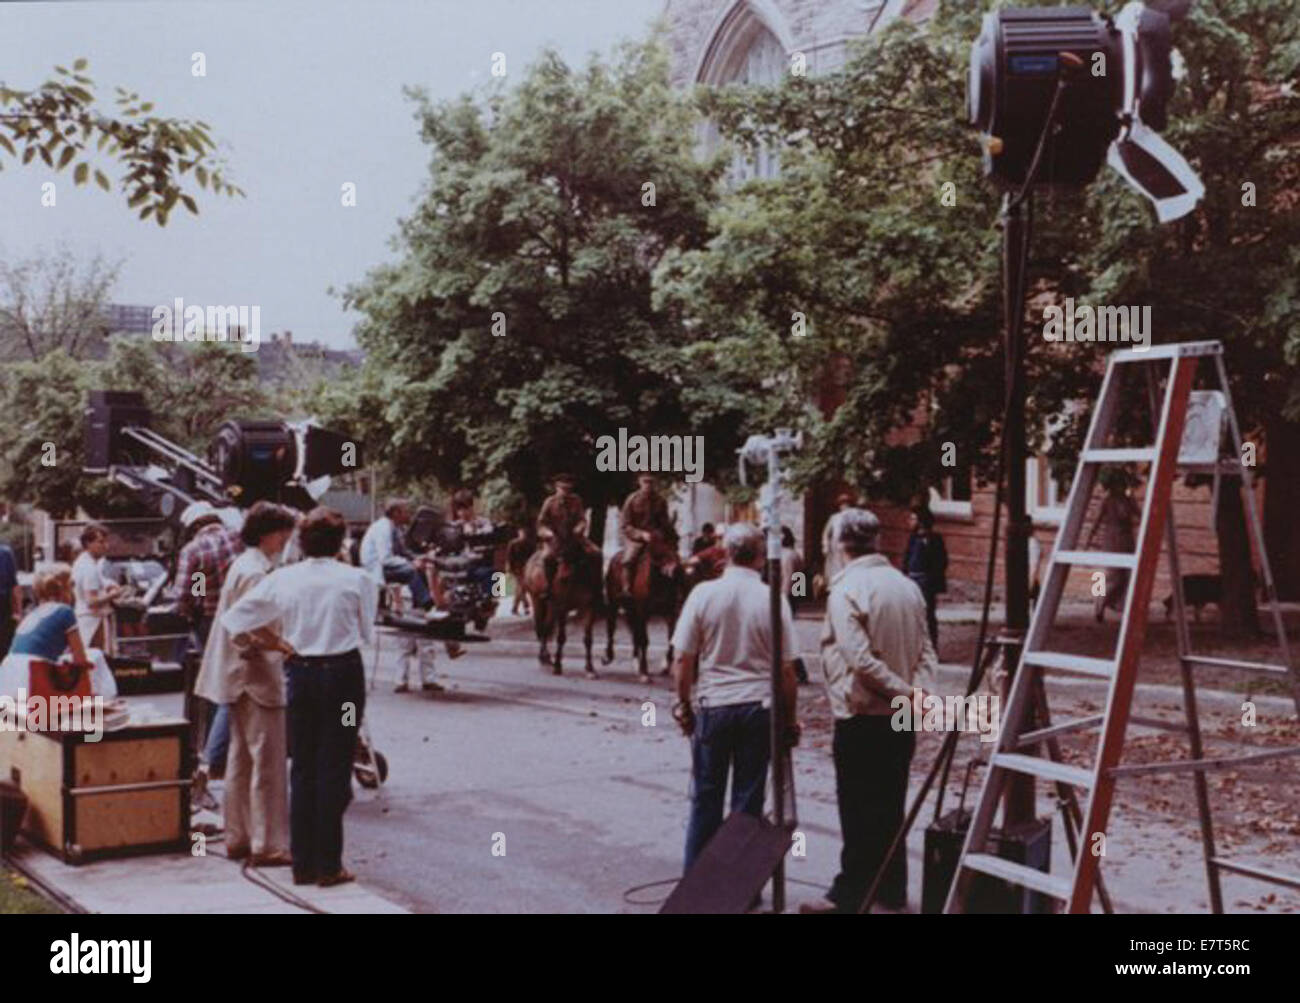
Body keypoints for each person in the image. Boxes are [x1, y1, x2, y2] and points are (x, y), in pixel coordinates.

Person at [222, 507, 377, 888]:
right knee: (336, 761)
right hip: (342, 677)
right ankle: (330, 862)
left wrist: (277, 642)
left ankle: (303, 863)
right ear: (340, 543)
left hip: (301, 674)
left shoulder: (284, 579)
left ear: (301, 543)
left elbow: (236, 618)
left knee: (303, 763)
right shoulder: (357, 578)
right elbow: (366, 628)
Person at [804, 508, 937, 915]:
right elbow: (927, 648)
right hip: (901, 716)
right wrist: (919, 692)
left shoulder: (847, 590)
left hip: (862, 714)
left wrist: (903, 694)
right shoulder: (906, 586)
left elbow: (860, 660)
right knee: (891, 803)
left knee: (858, 807)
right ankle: (891, 889)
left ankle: (850, 893)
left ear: (839, 545)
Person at [670, 524, 800, 873]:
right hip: (759, 707)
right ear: (760, 558)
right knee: (748, 801)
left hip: (715, 704)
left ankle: (696, 881)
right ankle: (738, 886)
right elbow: (787, 671)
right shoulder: (773, 600)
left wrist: (682, 703)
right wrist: (790, 720)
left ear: (725, 553)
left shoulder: (702, 595)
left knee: (705, 797)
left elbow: (683, 659)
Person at [193, 502, 298, 867]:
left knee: (241, 759)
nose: (287, 539)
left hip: (235, 675)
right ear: (271, 533)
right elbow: (252, 625)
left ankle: (238, 835)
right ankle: (268, 843)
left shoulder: (245, 564)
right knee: (267, 763)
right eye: (284, 532)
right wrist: (284, 645)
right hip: (255, 675)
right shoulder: (258, 572)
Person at [174, 503, 244, 786]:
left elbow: (187, 593)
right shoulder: (238, 537)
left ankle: (213, 752)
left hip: (212, 621)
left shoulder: (194, 550)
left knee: (217, 683)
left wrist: (190, 610)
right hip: (244, 616)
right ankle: (230, 742)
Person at [0, 564, 118, 701]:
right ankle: (103, 701)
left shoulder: (32, 614)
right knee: (96, 654)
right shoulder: (65, 612)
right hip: (32, 676)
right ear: (65, 590)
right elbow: (80, 659)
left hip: (8, 677)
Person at [359, 498, 435, 615]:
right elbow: (385, 559)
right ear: (396, 513)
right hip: (376, 568)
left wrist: (419, 558)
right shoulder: (383, 527)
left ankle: (420, 606)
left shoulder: (394, 527)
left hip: (385, 566)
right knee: (410, 571)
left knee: (420, 567)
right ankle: (428, 607)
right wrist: (410, 563)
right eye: (406, 511)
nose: (409, 514)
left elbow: (403, 552)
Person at [1086, 472, 1140, 623]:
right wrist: (1089, 539)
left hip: (1126, 540)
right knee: (1109, 575)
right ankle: (1099, 604)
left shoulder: (1128, 501)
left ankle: (1115, 604)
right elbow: (1097, 520)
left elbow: (1140, 515)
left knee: (1125, 575)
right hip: (1113, 540)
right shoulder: (1109, 501)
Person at [535, 474, 599, 596]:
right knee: (547, 557)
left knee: (595, 553)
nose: (565, 492)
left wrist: (580, 527)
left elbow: (582, 519)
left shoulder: (576, 501)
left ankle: (595, 588)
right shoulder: (549, 502)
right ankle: (548, 587)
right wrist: (547, 532)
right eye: (562, 488)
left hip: (574, 538)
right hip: (555, 540)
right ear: (556, 488)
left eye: (568, 489)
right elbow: (541, 523)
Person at [71, 525, 122, 651]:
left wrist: (108, 584)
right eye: (101, 542)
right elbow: (92, 601)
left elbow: (96, 583)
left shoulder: (82, 562)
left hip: (84, 619)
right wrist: (115, 594)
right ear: (88, 543)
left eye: (106, 541)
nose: (106, 546)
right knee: (98, 661)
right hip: (93, 622)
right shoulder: (89, 568)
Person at [903, 504, 948, 648]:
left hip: (925, 582)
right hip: (912, 579)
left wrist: (931, 578)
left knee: (928, 615)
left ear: (921, 521)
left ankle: (931, 646)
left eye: (913, 519)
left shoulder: (934, 539)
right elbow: (907, 559)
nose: (910, 522)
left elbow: (942, 561)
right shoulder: (913, 539)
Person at [619, 473, 678, 578]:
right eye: (645, 481)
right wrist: (641, 534)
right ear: (639, 482)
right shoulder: (632, 500)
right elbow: (625, 525)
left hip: (656, 538)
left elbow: (664, 523)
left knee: (672, 558)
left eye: (651, 482)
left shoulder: (660, 501)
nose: (648, 485)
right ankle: (626, 589)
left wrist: (666, 532)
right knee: (628, 559)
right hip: (635, 539)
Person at [820, 492, 856, 594]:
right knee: (836, 569)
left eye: (847, 504)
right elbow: (826, 533)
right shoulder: (834, 518)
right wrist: (825, 545)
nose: (845, 506)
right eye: (842, 504)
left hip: (849, 547)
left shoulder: (854, 517)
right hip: (835, 549)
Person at [506, 527, 533, 616]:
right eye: (521, 533)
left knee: (521, 588)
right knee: (522, 587)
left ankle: (514, 608)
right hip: (517, 568)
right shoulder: (513, 544)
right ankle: (526, 606)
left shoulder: (529, 543)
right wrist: (509, 568)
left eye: (524, 533)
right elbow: (509, 557)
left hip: (527, 567)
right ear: (519, 533)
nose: (523, 535)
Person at [0, 540, 19, 658]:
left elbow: (14, 588)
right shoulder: (5, 553)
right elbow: (14, 588)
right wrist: (18, 613)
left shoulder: (5, 553)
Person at [779, 526, 805, 610]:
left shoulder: (786, 555)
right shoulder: (794, 554)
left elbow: (788, 576)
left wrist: (784, 595)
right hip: (793, 593)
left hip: (787, 594)